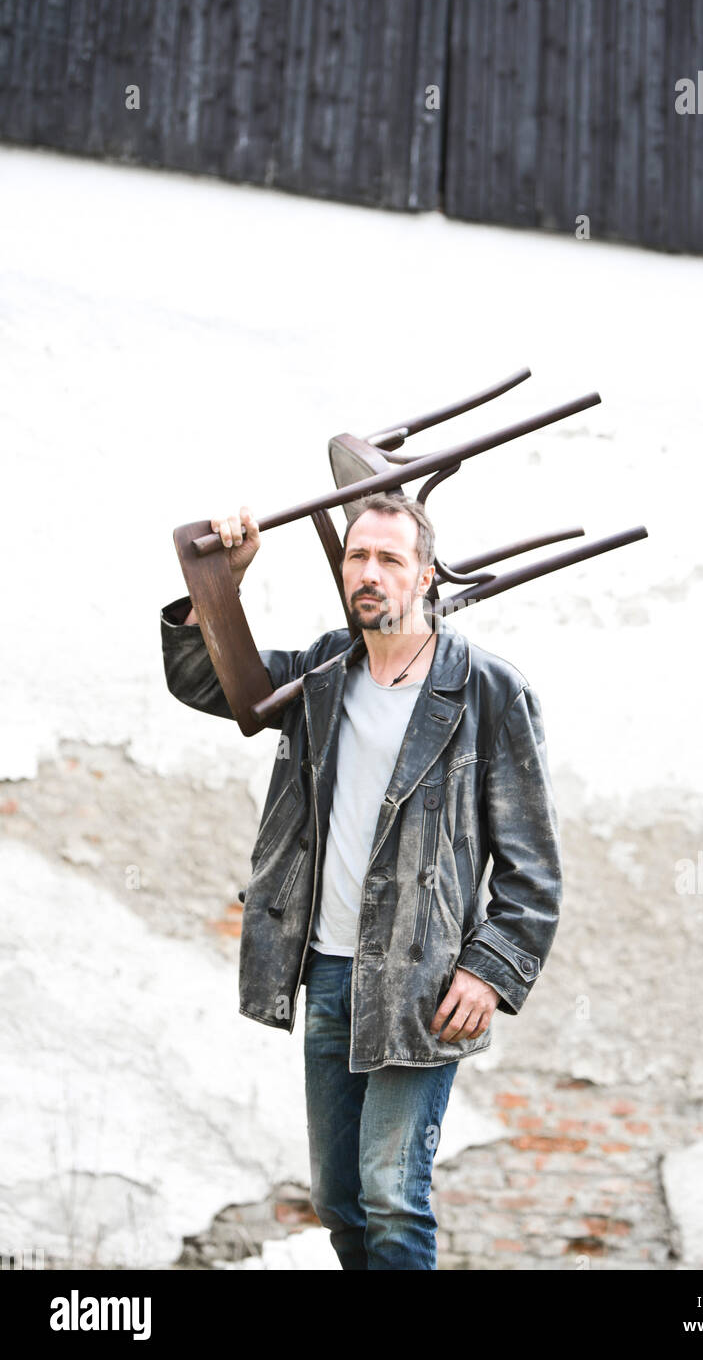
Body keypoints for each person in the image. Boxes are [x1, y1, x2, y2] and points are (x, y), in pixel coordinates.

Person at [160, 491, 562, 1269]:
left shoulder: (486, 693)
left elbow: (534, 866)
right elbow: (215, 685)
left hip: (424, 986)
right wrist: (219, 585)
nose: (369, 572)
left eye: (389, 558)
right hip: (329, 973)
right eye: (357, 556)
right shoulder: (323, 673)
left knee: (392, 1191)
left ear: (426, 576)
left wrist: (492, 969)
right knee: (340, 1198)